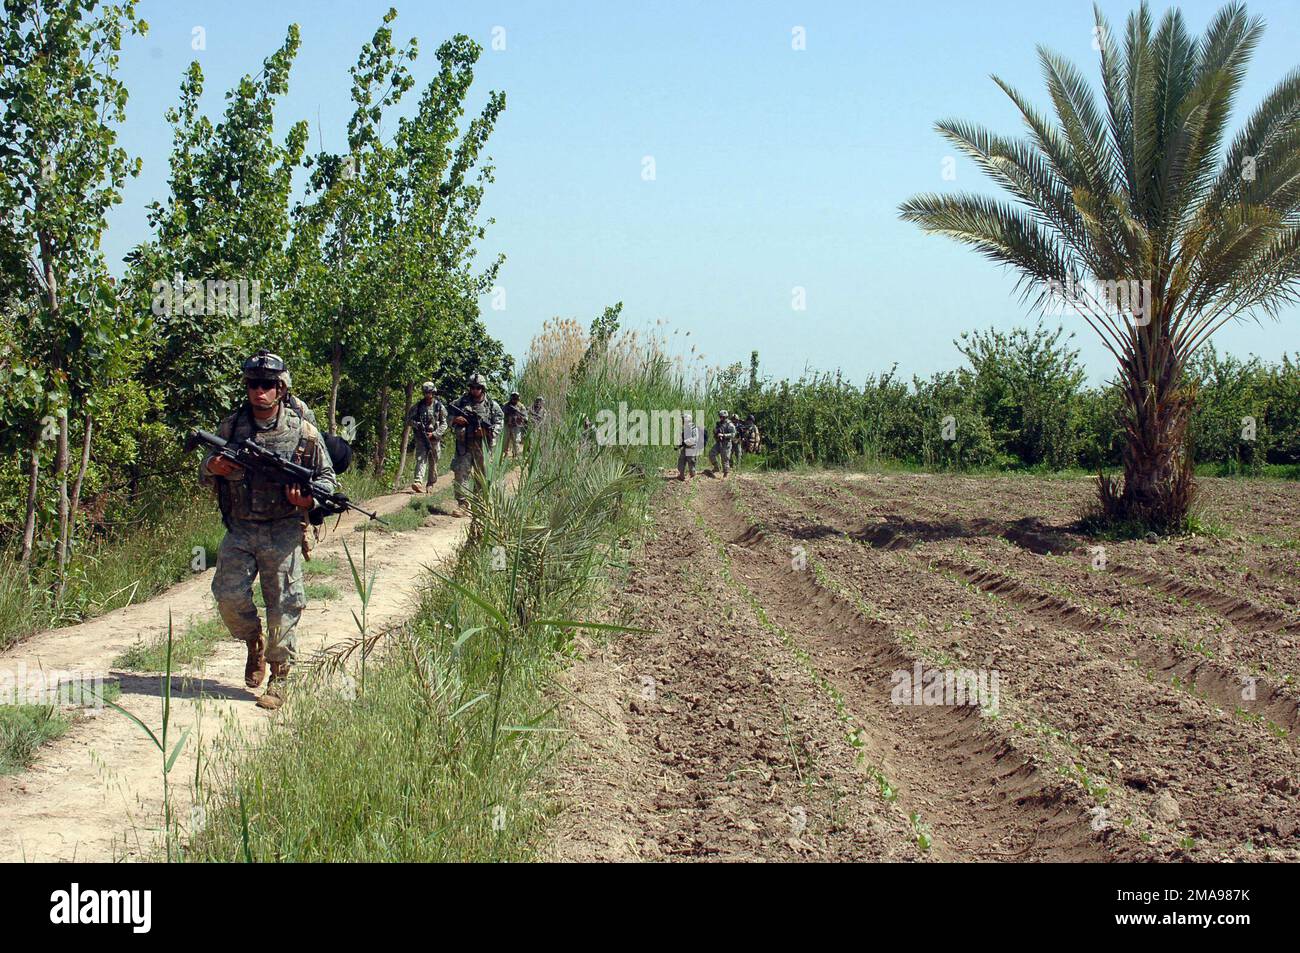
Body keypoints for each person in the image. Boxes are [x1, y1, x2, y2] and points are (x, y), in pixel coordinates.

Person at [200, 350, 336, 710]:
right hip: (241, 528)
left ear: (280, 389)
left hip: (283, 529)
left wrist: (307, 502)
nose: (258, 391)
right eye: (252, 384)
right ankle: (252, 642)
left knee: (284, 605)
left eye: (266, 385)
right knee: (228, 597)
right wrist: (213, 467)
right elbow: (204, 472)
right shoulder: (231, 428)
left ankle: (280, 676)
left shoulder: (303, 432)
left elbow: (327, 480)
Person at [449, 373, 504, 513]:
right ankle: (462, 504)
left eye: (478, 387)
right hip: (464, 444)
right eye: (472, 387)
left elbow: (499, 422)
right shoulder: (461, 402)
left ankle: (479, 504)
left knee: (483, 475)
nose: (475, 390)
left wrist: (487, 433)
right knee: (461, 473)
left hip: (483, 446)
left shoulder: (492, 405)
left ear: (483, 388)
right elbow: (447, 414)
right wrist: (456, 419)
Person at [408, 382, 447, 492]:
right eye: (425, 392)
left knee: (433, 460)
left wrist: (435, 434)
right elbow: (409, 420)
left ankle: (430, 483)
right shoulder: (418, 406)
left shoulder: (439, 406)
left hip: (434, 438)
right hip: (421, 437)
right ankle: (418, 481)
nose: (427, 395)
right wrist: (418, 425)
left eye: (429, 392)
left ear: (433, 392)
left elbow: (445, 423)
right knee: (421, 458)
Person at [709, 410, 736, 478]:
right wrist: (715, 432)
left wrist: (724, 435)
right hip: (719, 442)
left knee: (725, 458)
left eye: (723, 417)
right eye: (720, 417)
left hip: (726, 443)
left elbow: (733, 434)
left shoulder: (730, 424)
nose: (721, 418)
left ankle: (726, 473)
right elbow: (716, 431)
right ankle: (716, 467)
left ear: (726, 417)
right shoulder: (719, 423)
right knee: (711, 453)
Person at [677, 412, 703, 481]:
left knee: (691, 463)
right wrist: (679, 444)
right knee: (681, 462)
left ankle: (693, 477)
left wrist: (684, 442)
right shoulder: (686, 428)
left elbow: (694, 439)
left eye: (683, 420)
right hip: (685, 447)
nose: (682, 421)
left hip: (691, 448)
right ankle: (681, 475)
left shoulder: (694, 428)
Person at [503, 392, 527, 458]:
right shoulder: (506, 405)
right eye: (513, 397)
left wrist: (519, 415)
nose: (514, 399)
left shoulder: (521, 406)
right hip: (507, 425)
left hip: (516, 426)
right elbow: (502, 413)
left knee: (516, 440)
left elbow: (525, 416)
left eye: (516, 397)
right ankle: (506, 454)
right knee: (506, 440)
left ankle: (515, 455)